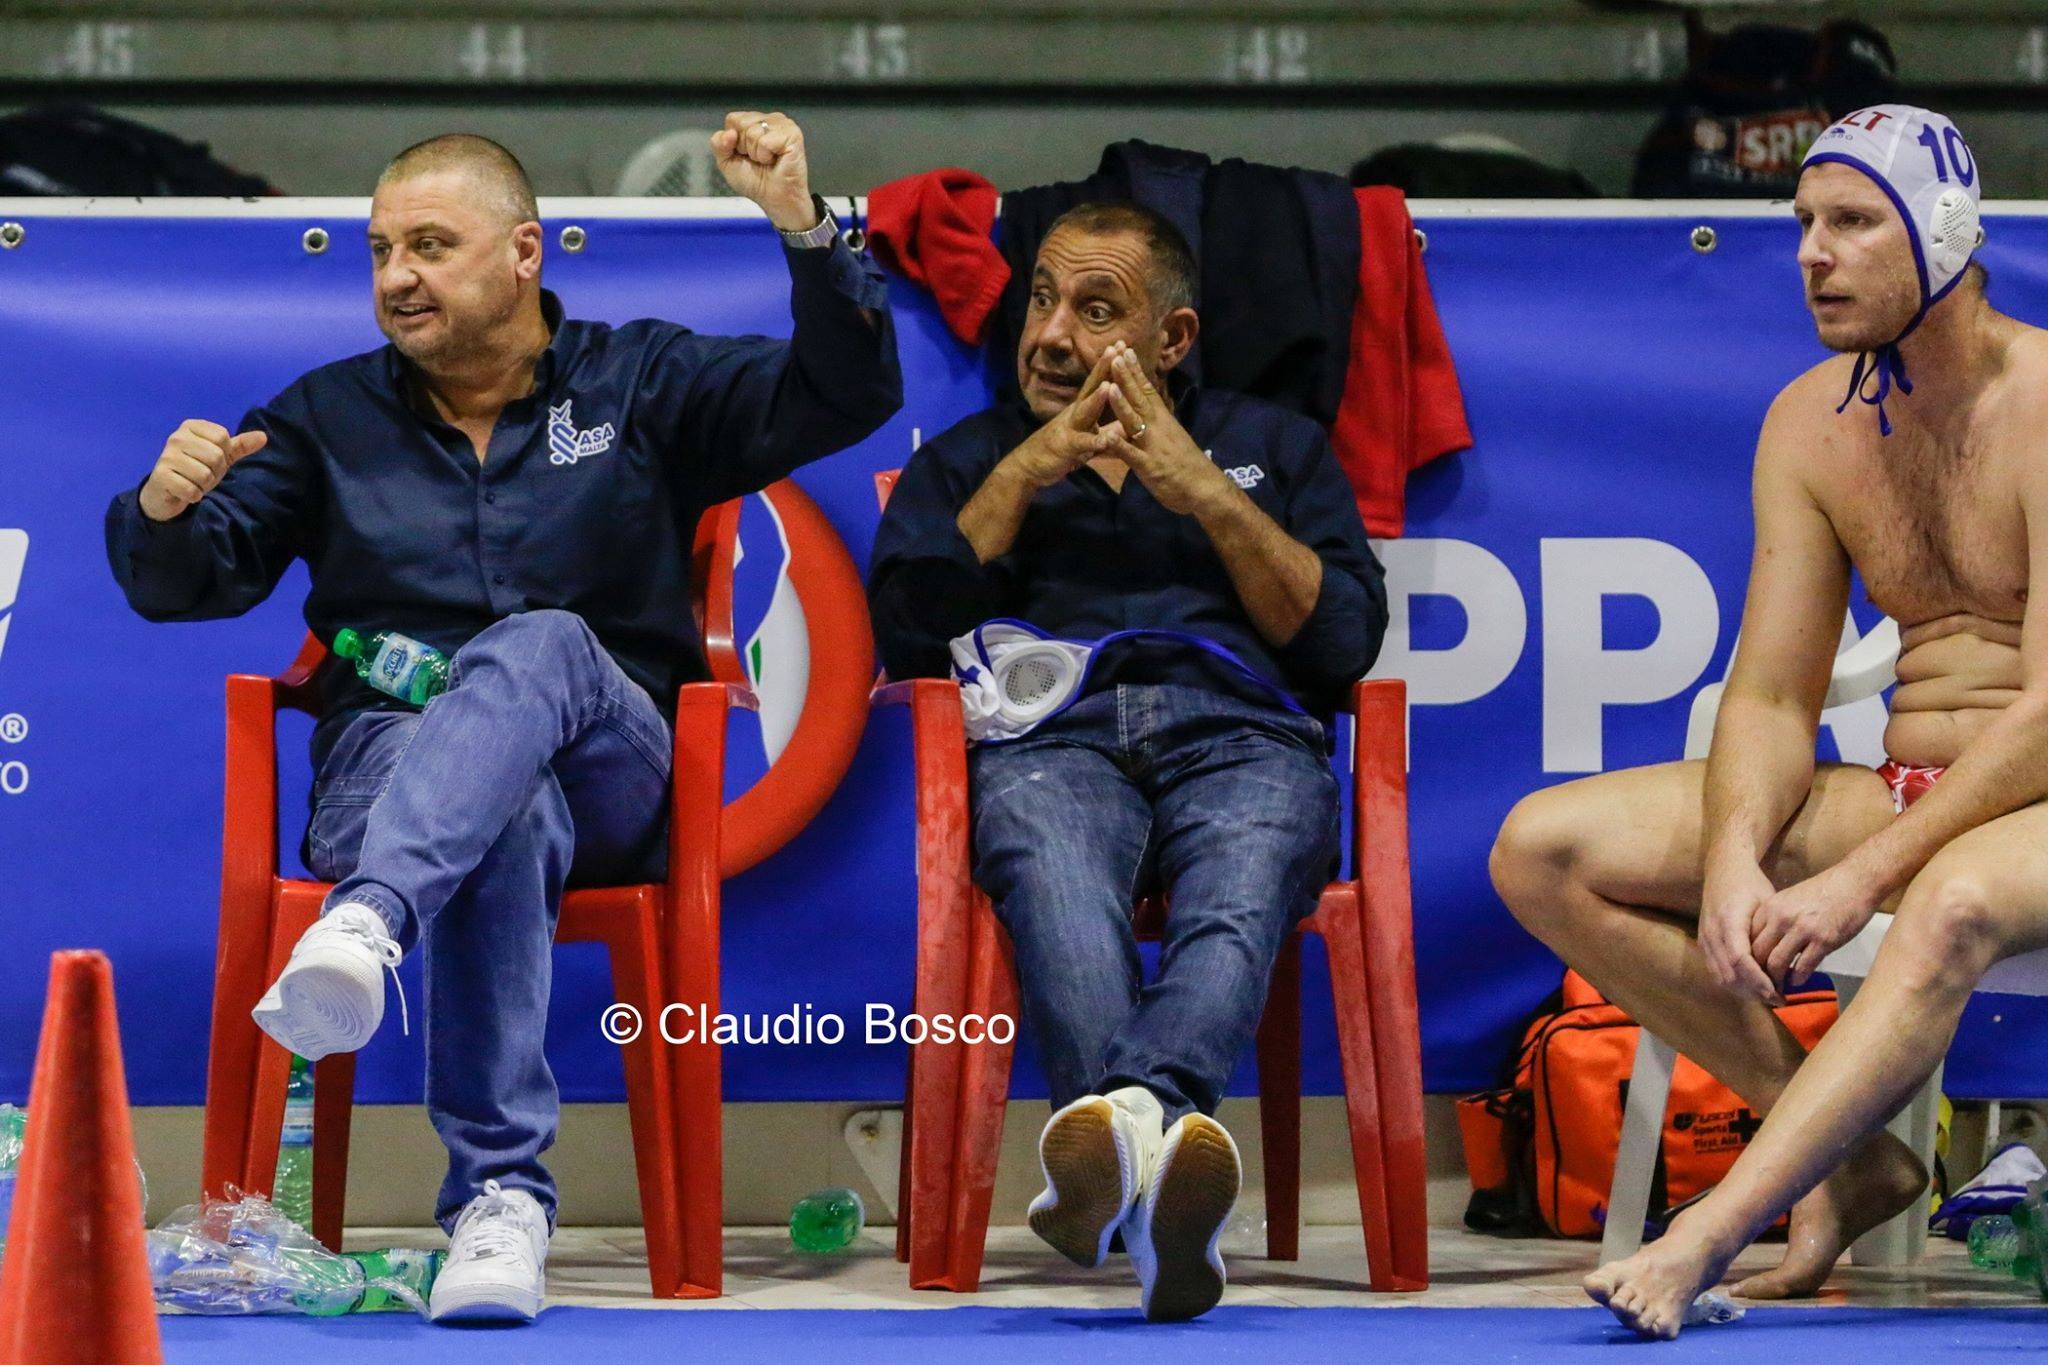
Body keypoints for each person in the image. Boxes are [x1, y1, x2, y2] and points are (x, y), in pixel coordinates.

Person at [105, 115, 901, 1323]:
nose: (395, 277)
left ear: (524, 253)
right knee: (499, 804)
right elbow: (189, 584)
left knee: (540, 645)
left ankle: (371, 924)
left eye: (429, 244)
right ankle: (500, 1204)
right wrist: (162, 513)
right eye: (379, 251)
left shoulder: (642, 379)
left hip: (610, 771)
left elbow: (847, 392)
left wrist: (802, 224)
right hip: (390, 760)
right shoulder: (323, 417)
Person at [1488, 105, 2048, 1339]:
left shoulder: (2046, 400)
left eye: (1849, 223)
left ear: (1946, 234)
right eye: (1801, 224)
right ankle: (1850, 1168)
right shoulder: (1811, 421)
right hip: (1910, 795)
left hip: (2032, 806)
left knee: (1946, 902)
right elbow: (1773, 692)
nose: (1809, 253)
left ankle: (1707, 1229)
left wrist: (1859, 877)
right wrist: (1739, 854)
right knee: (1543, 848)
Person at [868, 200, 1386, 1322]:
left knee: (1245, 878)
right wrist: (1025, 474)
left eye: (1094, 309)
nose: (1050, 335)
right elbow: (907, 635)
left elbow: (1341, 645)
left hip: (1242, 731)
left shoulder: (1273, 446)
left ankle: (1127, 1134)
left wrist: (1200, 489)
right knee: (1052, 876)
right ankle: (1155, 1170)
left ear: (1172, 340)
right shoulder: (967, 459)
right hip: (1045, 739)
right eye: (1040, 300)